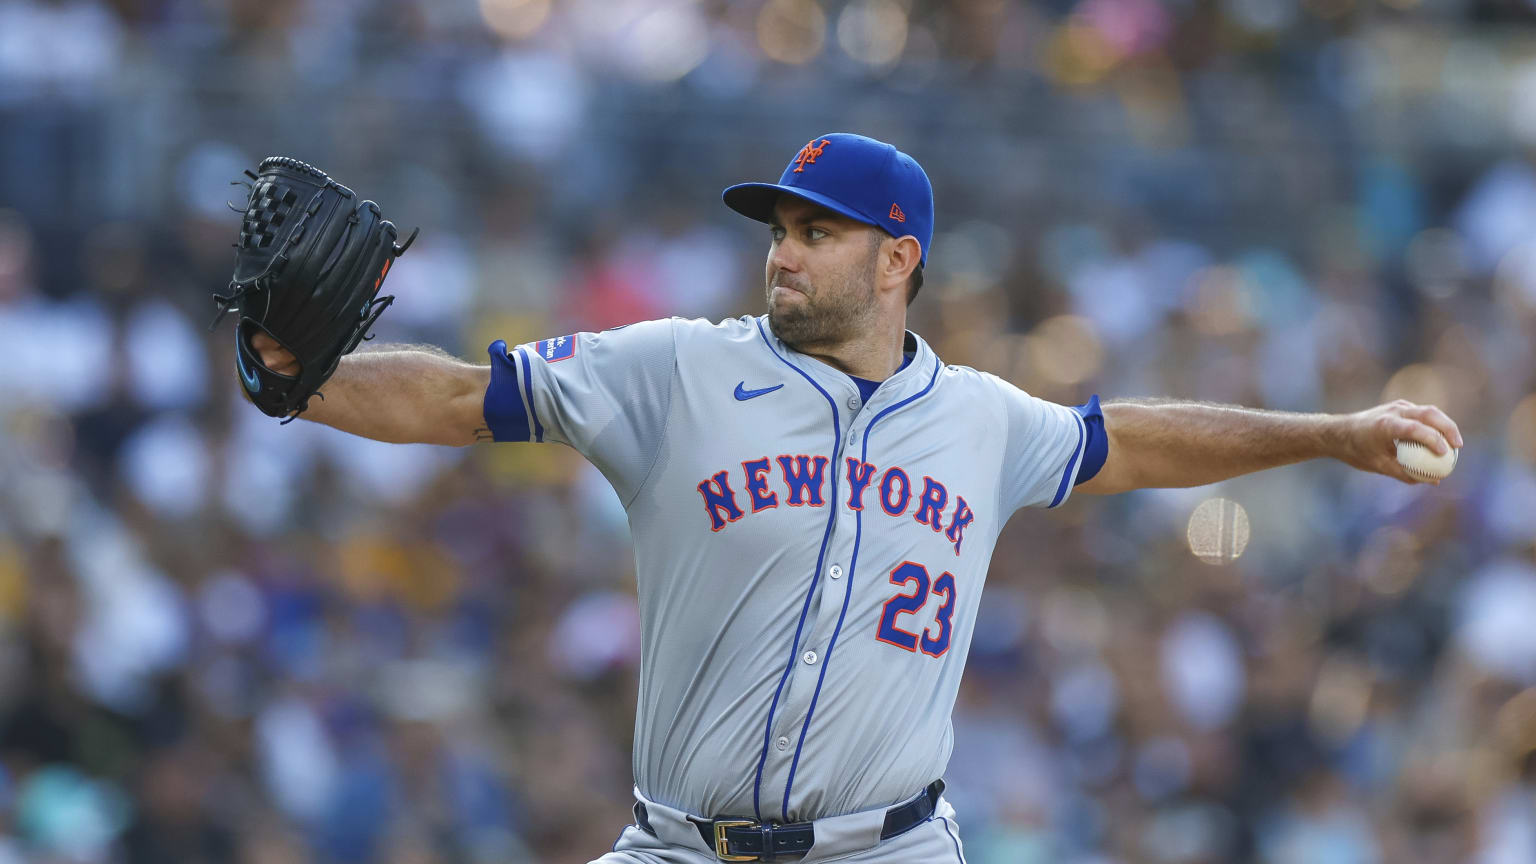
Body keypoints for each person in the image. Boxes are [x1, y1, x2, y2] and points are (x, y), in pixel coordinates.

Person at [249, 133, 1462, 863]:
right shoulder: (676, 366)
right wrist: (302, 382)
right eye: (779, 226)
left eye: (816, 232)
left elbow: (1129, 443)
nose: (782, 251)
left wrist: (1331, 434)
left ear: (898, 260)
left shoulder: (982, 420)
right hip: (679, 842)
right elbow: (464, 399)